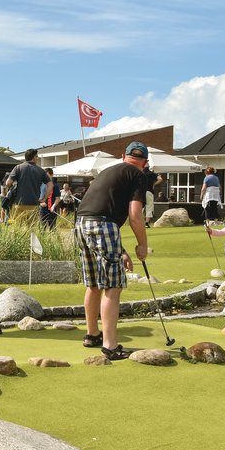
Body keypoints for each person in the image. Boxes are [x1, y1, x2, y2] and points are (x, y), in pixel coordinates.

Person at [74, 141, 150, 360]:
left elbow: (101, 208)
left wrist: (122, 250)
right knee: (112, 287)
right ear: (144, 162)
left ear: (123, 156)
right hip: (102, 225)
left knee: (94, 283)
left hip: (81, 224)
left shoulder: (109, 170)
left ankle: (92, 334)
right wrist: (142, 244)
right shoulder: (138, 176)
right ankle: (110, 346)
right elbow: (135, 214)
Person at [4, 148, 50, 223]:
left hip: (19, 203)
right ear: (33, 157)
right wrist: (44, 199)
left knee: (17, 228)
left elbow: (8, 183)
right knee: (31, 230)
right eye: (37, 156)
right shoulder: (40, 170)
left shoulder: (18, 167)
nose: (37, 158)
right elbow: (50, 185)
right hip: (34, 204)